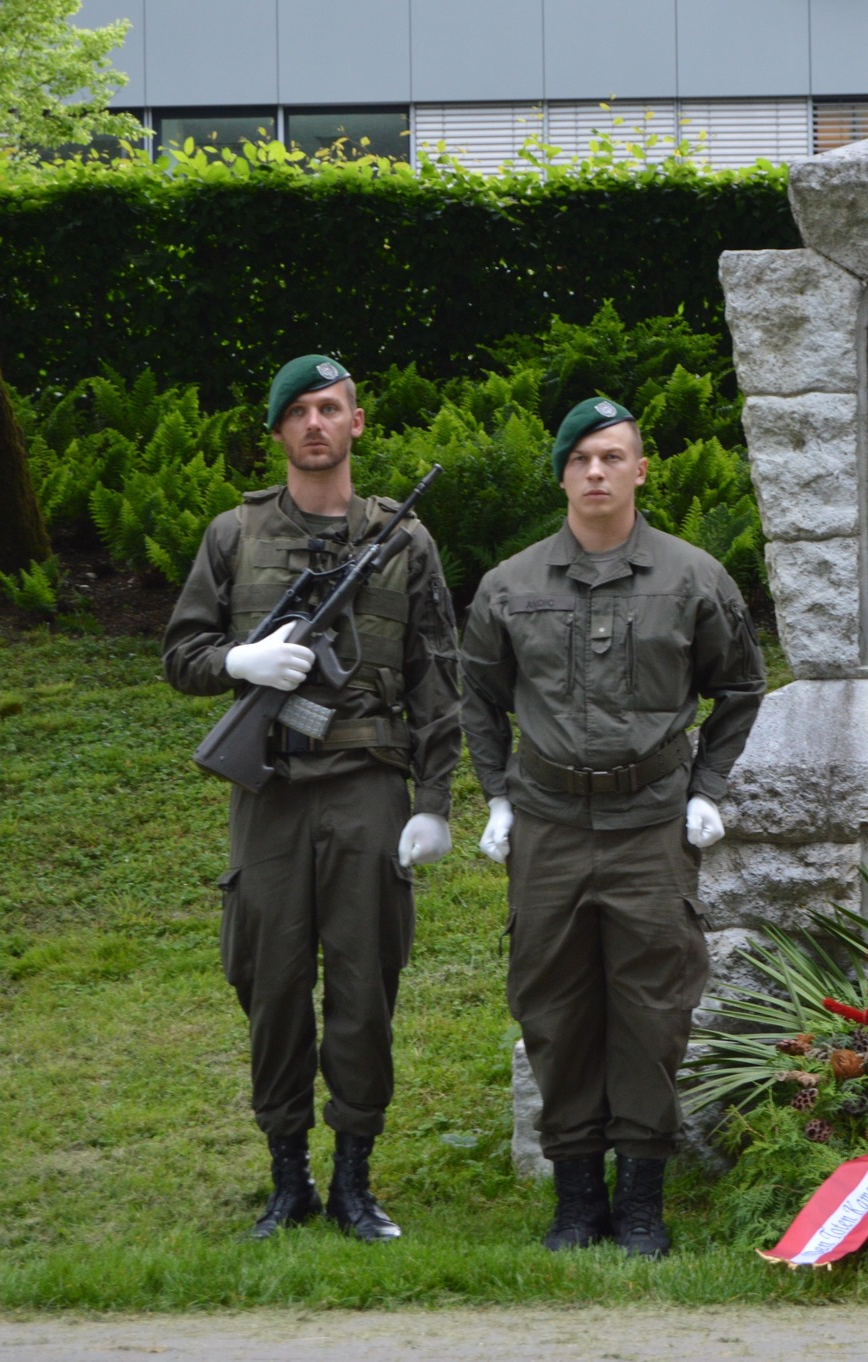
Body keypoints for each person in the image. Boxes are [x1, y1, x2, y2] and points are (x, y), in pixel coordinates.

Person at [163, 354, 461, 1242]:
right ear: (279, 431)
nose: (315, 424)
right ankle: (286, 1176)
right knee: (272, 980)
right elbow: (182, 657)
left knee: (366, 981)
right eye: (298, 412)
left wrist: (434, 803)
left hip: (367, 786)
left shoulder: (405, 542)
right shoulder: (234, 536)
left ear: (357, 422)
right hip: (273, 792)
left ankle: (355, 1181)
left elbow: (439, 682)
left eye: (330, 408)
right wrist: (242, 663)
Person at [461, 397, 766, 1257]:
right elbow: (477, 699)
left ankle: (639, 1200)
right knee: (553, 1004)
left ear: (640, 469)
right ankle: (575, 1198)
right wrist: (497, 796)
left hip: (650, 825)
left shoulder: (694, 577)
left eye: (612, 457)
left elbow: (740, 688)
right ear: (561, 473)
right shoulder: (510, 586)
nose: (596, 472)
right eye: (581, 459)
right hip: (550, 825)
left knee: (651, 1007)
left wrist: (707, 786)